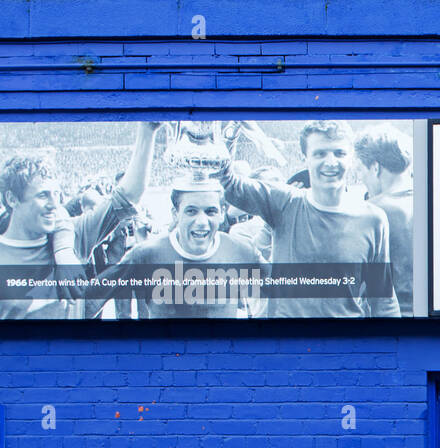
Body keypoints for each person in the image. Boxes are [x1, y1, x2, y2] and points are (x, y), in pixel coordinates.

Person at [215, 119, 400, 318]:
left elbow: (383, 301)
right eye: (320, 153)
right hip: (288, 343)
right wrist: (231, 131)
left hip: (346, 343)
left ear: (351, 159)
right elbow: (225, 182)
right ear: (305, 158)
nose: (331, 162)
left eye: (339, 153)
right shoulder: (284, 202)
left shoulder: (373, 219)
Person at [0, 122, 160, 319]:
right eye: (42, 196)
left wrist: (147, 130)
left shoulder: (75, 235)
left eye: (57, 194)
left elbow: (128, 195)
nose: (54, 204)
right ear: (11, 199)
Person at [92, 178, 264, 320]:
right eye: (191, 211)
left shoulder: (241, 250)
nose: (202, 221)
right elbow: (89, 300)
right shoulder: (146, 255)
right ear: (175, 214)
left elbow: (281, 295)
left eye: (210, 211)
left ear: (222, 212)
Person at [355, 125, 414, 317]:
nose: (362, 179)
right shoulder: (436, 202)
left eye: (361, 171)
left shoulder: (370, 212)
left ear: (375, 167)